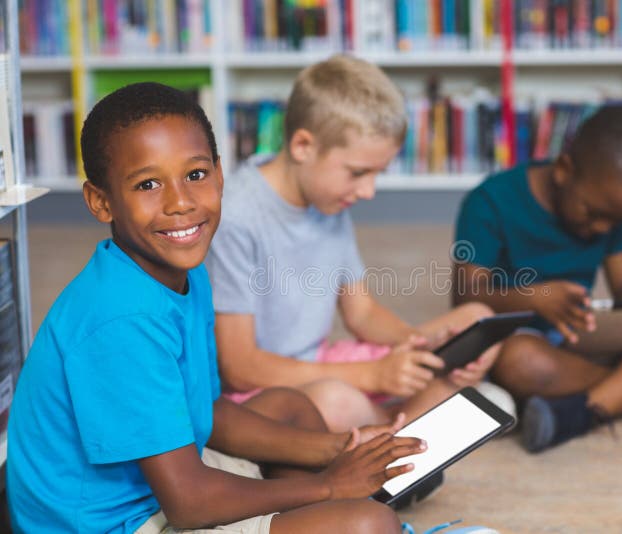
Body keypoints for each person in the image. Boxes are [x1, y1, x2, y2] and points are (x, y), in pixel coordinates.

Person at [6, 82, 424, 533]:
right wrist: (329, 487)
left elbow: (207, 410)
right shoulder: (121, 319)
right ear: (101, 201)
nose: (181, 202)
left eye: (196, 174)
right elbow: (189, 503)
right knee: (367, 524)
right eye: (148, 184)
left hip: (159, 487)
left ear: (220, 175)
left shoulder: (183, 272)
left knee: (288, 406)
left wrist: (339, 447)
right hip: (117, 521)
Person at [206, 55, 499, 433]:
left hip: (321, 360)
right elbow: (241, 368)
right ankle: (405, 426)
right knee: (336, 403)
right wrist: (373, 376)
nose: (368, 191)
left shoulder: (327, 197)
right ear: (302, 146)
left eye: (377, 174)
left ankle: (399, 424)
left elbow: (360, 313)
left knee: (477, 319)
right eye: (359, 173)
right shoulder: (236, 218)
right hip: (261, 390)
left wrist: (421, 344)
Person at [452, 105, 622, 453]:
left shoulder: (608, 205)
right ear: (564, 169)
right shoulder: (488, 202)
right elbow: (465, 296)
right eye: (593, 213)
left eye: (615, 221)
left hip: (582, 337)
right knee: (520, 362)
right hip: (519, 339)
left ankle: (580, 411)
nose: (602, 228)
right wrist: (533, 297)